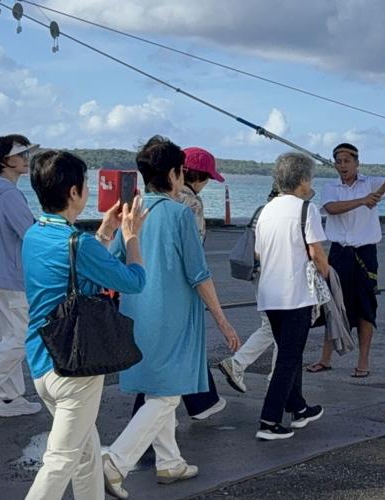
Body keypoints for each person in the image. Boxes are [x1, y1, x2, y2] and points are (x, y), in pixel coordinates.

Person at [102, 136, 240, 498]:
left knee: (158, 390)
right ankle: (117, 460)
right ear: (175, 173)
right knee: (166, 395)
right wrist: (223, 321)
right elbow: (199, 274)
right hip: (173, 314)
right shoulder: (180, 214)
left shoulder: (133, 209)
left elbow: (111, 258)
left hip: (137, 309)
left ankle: (169, 461)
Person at [22, 151, 147, 500]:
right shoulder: (80, 244)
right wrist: (132, 236)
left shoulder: (35, 234)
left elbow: (73, 271)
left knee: (86, 454)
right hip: (75, 366)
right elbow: (134, 280)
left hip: (41, 359)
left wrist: (105, 232)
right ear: (75, 192)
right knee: (61, 460)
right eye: (86, 184)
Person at [132, 145, 230, 420]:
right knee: (170, 368)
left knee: (158, 364)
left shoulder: (138, 205)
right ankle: (127, 450)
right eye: (208, 177)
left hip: (143, 293)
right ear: (183, 173)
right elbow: (195, 264)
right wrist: (222, 320)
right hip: (176, 295)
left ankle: (170, 450)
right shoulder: (188, 208)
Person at [307, 143, 385, 378]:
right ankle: (325, 358)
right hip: (339, 253)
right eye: (338, 161)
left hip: (365, 254)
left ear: (357, 163)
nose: (343, 165)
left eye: (347, 160)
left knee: (366, 307)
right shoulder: (331, 187)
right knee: (333, 304)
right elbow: (332, 208)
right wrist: (362, 200)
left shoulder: (371, 183)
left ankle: (363, 361)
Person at [253, 152, 329, 440]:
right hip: (296, 294)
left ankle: (298, 408)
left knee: (289, 352)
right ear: (302, 180)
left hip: (269, 294)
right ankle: (269, 420)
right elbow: (316, 251)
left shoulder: (266, 210)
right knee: (288, 357)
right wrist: (327, 273)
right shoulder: (306, 209)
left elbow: (258, 252)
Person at [0, 135, 42, 425]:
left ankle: (9, 399)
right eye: (21, 153)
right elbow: (29, 234)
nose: (27, 158)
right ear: (5, 161)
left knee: (5, 337)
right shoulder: (9, 195)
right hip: (9, 277)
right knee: (21, 337)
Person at [218, 188, 279, 394]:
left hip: (260, 275)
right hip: (277, 276)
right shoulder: (281, 214)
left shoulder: (262, 210)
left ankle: (243, 366)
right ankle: (275, 379)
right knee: (283, 328)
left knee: (272, 326)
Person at [176, 146, 225, 241]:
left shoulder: (165, 195)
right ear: (198, 178)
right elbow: (194, 242)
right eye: (208, 178)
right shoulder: (193, 204)